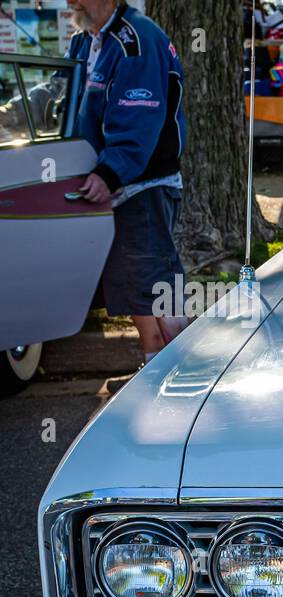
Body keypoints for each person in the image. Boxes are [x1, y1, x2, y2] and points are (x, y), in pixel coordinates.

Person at [66, 0, 187, 363]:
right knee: (133, 285)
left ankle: (182, 370)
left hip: (141, 185)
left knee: (156, 284)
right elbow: (64, 96)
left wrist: (109, 172)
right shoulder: (84, 40)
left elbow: (140, 118)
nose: (70, 1)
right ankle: (154, 363)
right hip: (112, 183)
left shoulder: (137, 39)